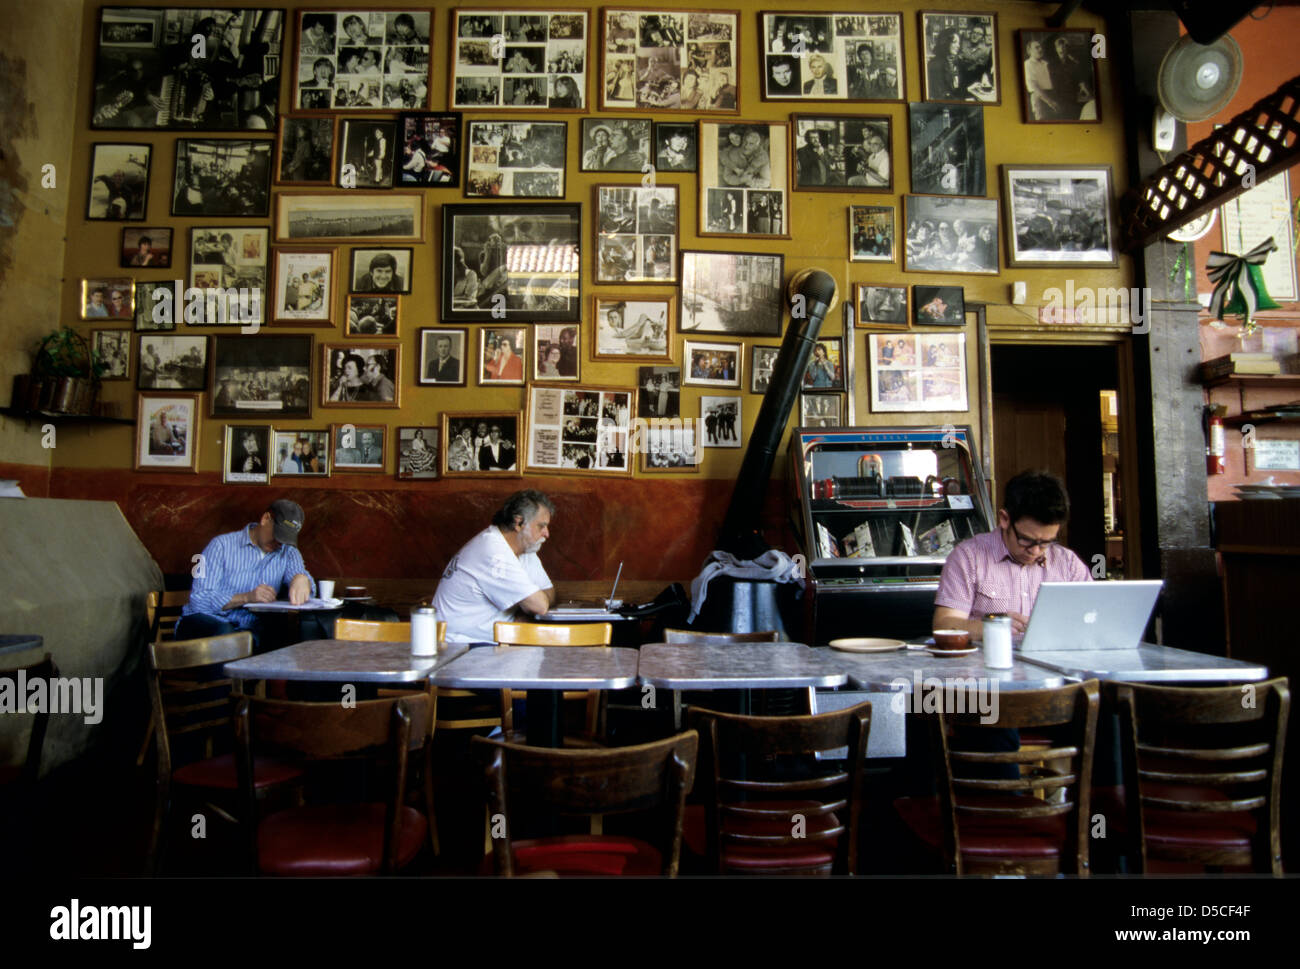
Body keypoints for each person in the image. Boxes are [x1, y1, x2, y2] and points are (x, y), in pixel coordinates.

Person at [934, 470, 1092, 642]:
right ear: (1004, 519)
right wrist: (992, 627)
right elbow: (944, 625)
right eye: (1026, 540)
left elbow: (1094, 616)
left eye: (1046, 542)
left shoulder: (1067, 563)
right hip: (987, 665)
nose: (1035, 551)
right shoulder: (968, 558)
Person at [176, 500, 315, 642]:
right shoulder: (220, 546)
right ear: (266, 519)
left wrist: (301, 578)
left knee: (292, 634)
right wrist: (247, 597)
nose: (279, 543)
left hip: (250, 630)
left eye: (285, 539)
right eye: (278, 535)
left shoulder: (288, 551)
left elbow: (304, 583)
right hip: (205, 622)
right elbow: (199, 600)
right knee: (227, 636)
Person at [433, 491, 556, 644]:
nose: (547, 534)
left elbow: (549, 592)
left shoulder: (525, 550)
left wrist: (525, 611)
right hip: (459, 646)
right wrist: (527, 607)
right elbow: (540, 606)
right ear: (519, 523)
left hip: (491, 644)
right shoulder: (492, 550)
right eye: (541, 526)